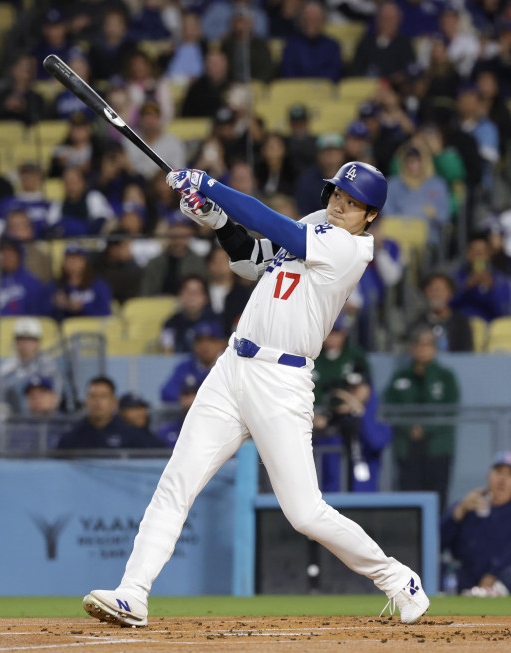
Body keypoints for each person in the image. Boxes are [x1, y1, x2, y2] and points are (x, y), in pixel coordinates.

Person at [83, 161, 431, 627]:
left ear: (370, 216)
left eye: (352, 203)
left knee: (305, 512)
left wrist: (211, 187)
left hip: (282, 382)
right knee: (176, 483)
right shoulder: (316, 222)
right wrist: (218, 220)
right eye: (336, 195)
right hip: (232, 367)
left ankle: (396, 578)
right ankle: (134, 593)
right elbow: (251, 260)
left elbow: (271, 223)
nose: (339, 205)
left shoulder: (352, 249)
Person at [440, 458, 511, 595]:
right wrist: (459, 512)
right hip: (467, 576)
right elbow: (437, 543)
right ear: (488, 477)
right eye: (498, 472)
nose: (502, 479)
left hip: (504, 576)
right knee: (443, 572)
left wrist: (492, 574)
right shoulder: (468, 505)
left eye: (510, 475)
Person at [383, 327, 459, 499]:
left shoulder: (445, 377)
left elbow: (449, 410)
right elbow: (390, 409)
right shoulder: (401, 376)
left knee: (437, 495)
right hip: (407, 447)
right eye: (419, 344)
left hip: (438, 447)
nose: (423, 349)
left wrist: (424, 428)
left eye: (428, 344)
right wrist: (410, 427)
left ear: (435, 348)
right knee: (408, 495)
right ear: (412, 348)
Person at [55, 377, 150, 450]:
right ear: (86, 401)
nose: (97, 401)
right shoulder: (73, 436)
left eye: (103, 396)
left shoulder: (131, 434)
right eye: (92, 396)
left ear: (113, 402)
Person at [0, 317, 61, 414]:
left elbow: (56, 396)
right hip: (13, 418)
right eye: (21, 339)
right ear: (15, 341)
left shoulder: (50, 366)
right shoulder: (6, 367)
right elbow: (0, 398)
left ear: (38, 342)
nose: (25, 343)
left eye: (30, 339)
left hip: (44, 416)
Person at [451, 233, 511, 322]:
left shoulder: (501, 279)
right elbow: (447, 306)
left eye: (482, 253)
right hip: (461, 326)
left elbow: (504, 312)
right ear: (468, 254)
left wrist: (492, 289)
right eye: (475, 252)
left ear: (489, 255)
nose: (479, 257)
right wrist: (466, 286)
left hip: (490, 328)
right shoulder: (456, 277)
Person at [160, 321, 225, 403]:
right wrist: (185, 398)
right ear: (193, 344)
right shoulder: (185, 367)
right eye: (199, 340)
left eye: (211, 340)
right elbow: (166, 392)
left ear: (221, 343)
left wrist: (199, 400)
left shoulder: (228, 366)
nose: (205, 345)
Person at [140, 222, 208, 297]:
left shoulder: (198, 262)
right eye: (175, 236)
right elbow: (145, 291)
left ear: (190, 235)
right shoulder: (155, 262)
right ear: (168, 234)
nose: (179, 241)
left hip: (187, 304)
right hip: (157, 304)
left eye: (183, 236)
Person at [408, 273, 473, 352]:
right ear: (425, 292)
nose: (437, 294)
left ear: (450, 293)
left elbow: (466, 352)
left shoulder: (461, 323)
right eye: (432, 290)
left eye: (440, 290)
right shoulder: (418, 323)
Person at [279, 1, 342, 82]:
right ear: (301, 21)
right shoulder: (291, 46)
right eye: (307, 19)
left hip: (324, 92)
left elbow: (333, 76)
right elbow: (288, 75)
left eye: (315, 19)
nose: (312, 24)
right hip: (297, 92)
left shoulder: (333, 47)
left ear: (322, 21)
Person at [349, 2, 413, 80]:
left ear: (398, 21)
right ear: (377, 20)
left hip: (394, 89)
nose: (387, 23)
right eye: (384, 18)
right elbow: (355, 72)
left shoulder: (405, 44)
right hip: (369, 87)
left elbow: (409, 72)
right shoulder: (365, 43)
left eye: (391, 19)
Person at [50, 245, 112, 320]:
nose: (72, 263)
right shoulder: (56, 285)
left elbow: (105, 312)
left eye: (76, 259)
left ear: (85, 262)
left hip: (93, 328)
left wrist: (82, 307)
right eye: (68, 259)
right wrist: (58, 306)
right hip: (67, 328)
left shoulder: (98, 285)